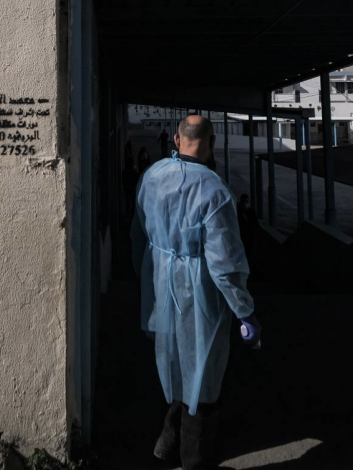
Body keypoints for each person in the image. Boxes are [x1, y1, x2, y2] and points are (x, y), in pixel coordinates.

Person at [132, 114, 260, 470]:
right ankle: (195, 461)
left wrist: (146, 281)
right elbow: (225, 263)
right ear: (213, 143)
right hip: (198, 293)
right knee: (202, 374)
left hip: (159, 283)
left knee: (172, 364)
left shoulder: (151, 177)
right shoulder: (215, 191)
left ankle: (166, 443)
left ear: (176, 139)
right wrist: (244, 311)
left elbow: (137, 235)